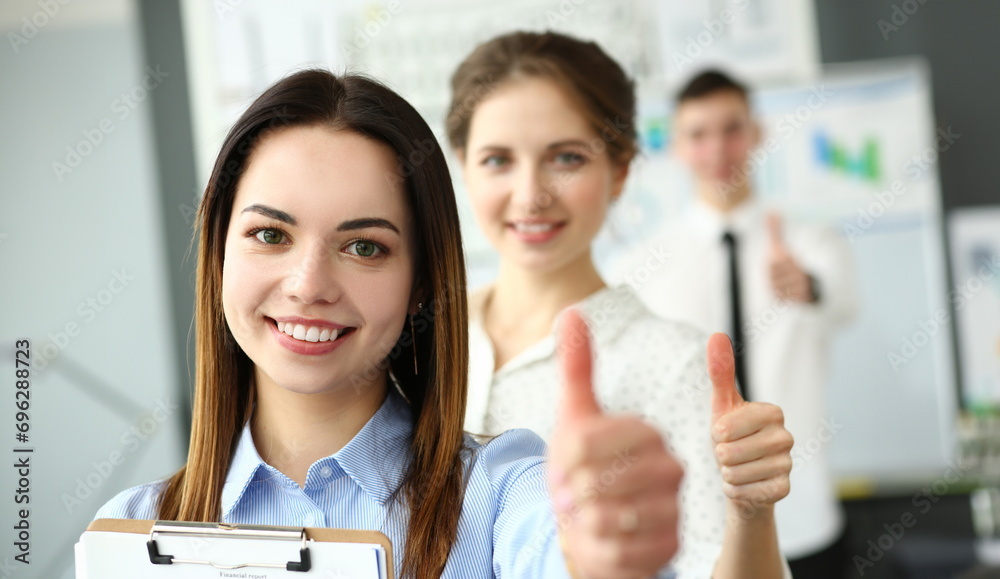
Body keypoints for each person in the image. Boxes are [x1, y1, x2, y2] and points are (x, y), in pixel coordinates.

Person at [92, 69, 689, 579]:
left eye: (364, 247)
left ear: (423, 282)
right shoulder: (128, 532)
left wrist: (603, 553)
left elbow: (561, 552)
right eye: (270, 235)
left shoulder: (502, 492)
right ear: (221, 253)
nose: (308, 285)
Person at [447, 31, 794, 578]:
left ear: (622, 170)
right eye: (497, 160)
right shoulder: (419, 341)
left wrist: (750, 513)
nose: (531, 193)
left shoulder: (675, 366)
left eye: (566, 157)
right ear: (463, 166)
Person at [613, 69, 859, 578]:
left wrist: (807, 287)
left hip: (806, 517)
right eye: (699, 134)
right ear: (677, 146)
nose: (718, 149)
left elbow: (844, 304)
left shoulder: (811, 245)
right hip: (698, 534)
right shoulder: (641, 268)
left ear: (757, 134)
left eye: (732, 129)